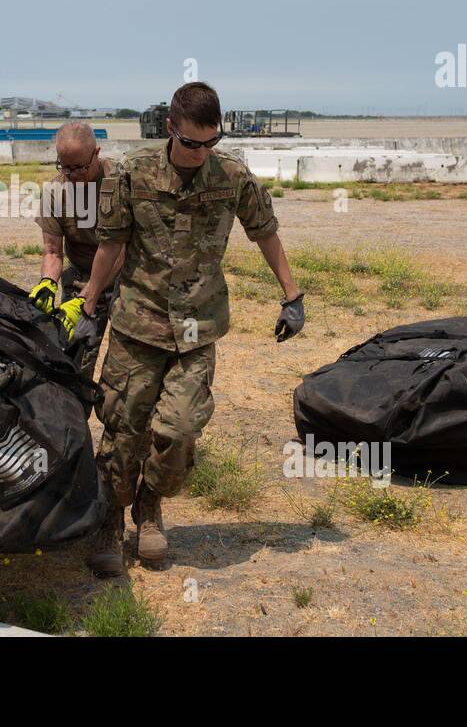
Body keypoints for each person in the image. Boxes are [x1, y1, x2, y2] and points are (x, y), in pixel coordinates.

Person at [71, 82, 305, 577]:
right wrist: (88, 306)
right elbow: (110, 247)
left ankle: (150, 507)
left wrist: (292, 296)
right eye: (192, 143)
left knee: (178, 431)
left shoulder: (232, 175)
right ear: (171, 129)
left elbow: (265, 232)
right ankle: (110, 519)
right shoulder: (133, 173)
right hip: (139, 322)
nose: (202, 153)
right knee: (122, 429)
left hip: (198, 327)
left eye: (211, 143)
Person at [28, 121, 124, 381]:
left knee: (126, 366)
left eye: (79, 167)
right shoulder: (55, 192)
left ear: (96, 153)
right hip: (82, 274)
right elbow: (52, 252)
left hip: (127, 277)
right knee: (73, 362)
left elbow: (120, 248)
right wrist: (48, 282)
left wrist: (90, 295)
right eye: (64, 167)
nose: (71, 175)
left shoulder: (121, 181)